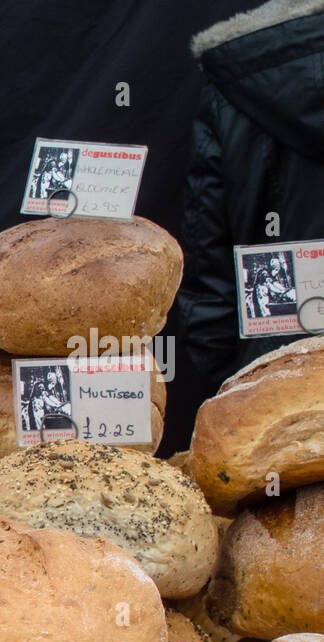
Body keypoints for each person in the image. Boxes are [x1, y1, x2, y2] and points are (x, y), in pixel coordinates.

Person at [173, 0, 324, 446]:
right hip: (265, 377)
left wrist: (232, 379)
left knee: (286, 515)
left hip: (271, 381)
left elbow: (206, 257)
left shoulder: (231, 86)